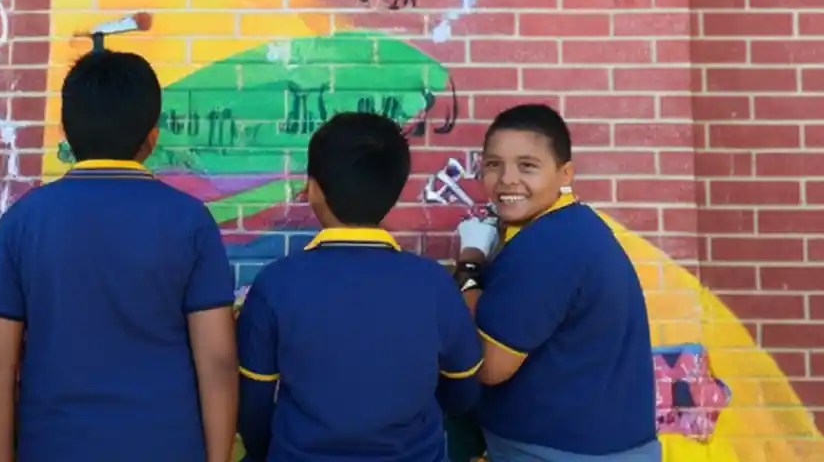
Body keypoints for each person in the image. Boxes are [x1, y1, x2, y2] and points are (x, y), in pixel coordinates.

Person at [0, 50, 238, 462]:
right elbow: (218, 360)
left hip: (55, 446)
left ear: (65, 128)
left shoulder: (24, 220)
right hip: (166, 446)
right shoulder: (189, 220)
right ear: (152, 136)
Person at [236, 112, 482, 461]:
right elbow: (463, 392)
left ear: (314, 189)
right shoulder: (433, 284)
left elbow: (255, 406)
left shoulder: (276, 284)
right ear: (394, 192)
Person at [453, 103, 660, 461]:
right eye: (493, 165)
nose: (507, 179)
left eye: (527, 166)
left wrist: (468, 267)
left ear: (565, 174)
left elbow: (488, 365)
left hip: (557, 452)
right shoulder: (571, 227)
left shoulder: (550, 246)